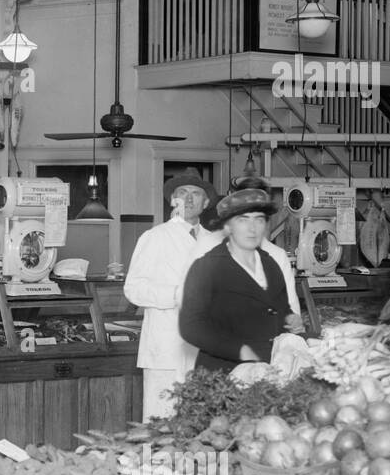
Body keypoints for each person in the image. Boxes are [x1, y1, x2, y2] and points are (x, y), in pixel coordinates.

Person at [123, 170, 216, 420]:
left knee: (201, 424)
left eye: (196, 193)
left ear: (206, 203)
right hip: (165, 349)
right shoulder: (155, 237)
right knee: (161, 423)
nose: (188, 199)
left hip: (205, 349)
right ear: (172, 200)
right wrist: (177, 294)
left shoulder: (216, 242)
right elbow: (133, 288)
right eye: (182, 193)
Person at [179, 186, 301, 372]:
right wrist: (239, 351)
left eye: (259, 219)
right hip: (221, 374)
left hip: (265, 373)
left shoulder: (271, 265)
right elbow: (191, 326)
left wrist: (290, 319)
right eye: (243, 220)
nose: (252, 228)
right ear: (228, 227)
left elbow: (280, 309)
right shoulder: (206, 267)